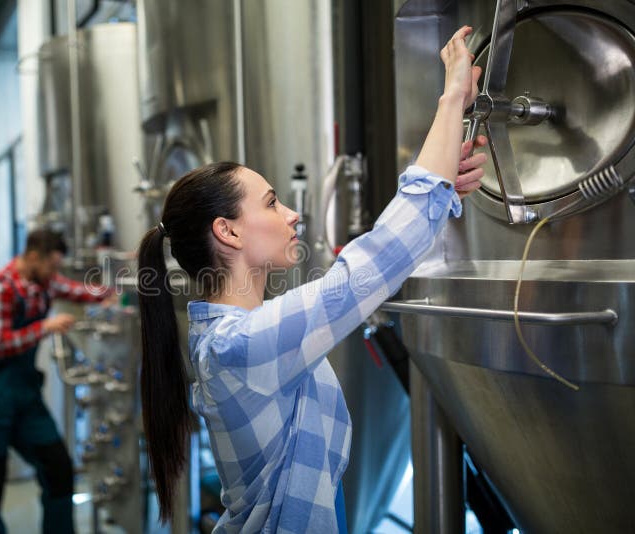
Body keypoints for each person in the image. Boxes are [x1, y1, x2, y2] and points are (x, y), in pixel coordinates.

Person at [136, 26, 487, 533]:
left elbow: (379, 260)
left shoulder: (244, 337)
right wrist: (452, 96)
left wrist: (437, 186)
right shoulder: (239, 347)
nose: (295, 214)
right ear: (228, 231)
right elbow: (373, 265)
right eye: (272, 202)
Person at [0, 228, 112, 534]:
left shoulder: (43, 282)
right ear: (32, 257)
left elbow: (80, 291)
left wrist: (117, 289)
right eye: (52, 265)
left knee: (58, 470)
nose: (55, 273)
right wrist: (45, 326)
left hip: (24, 395)